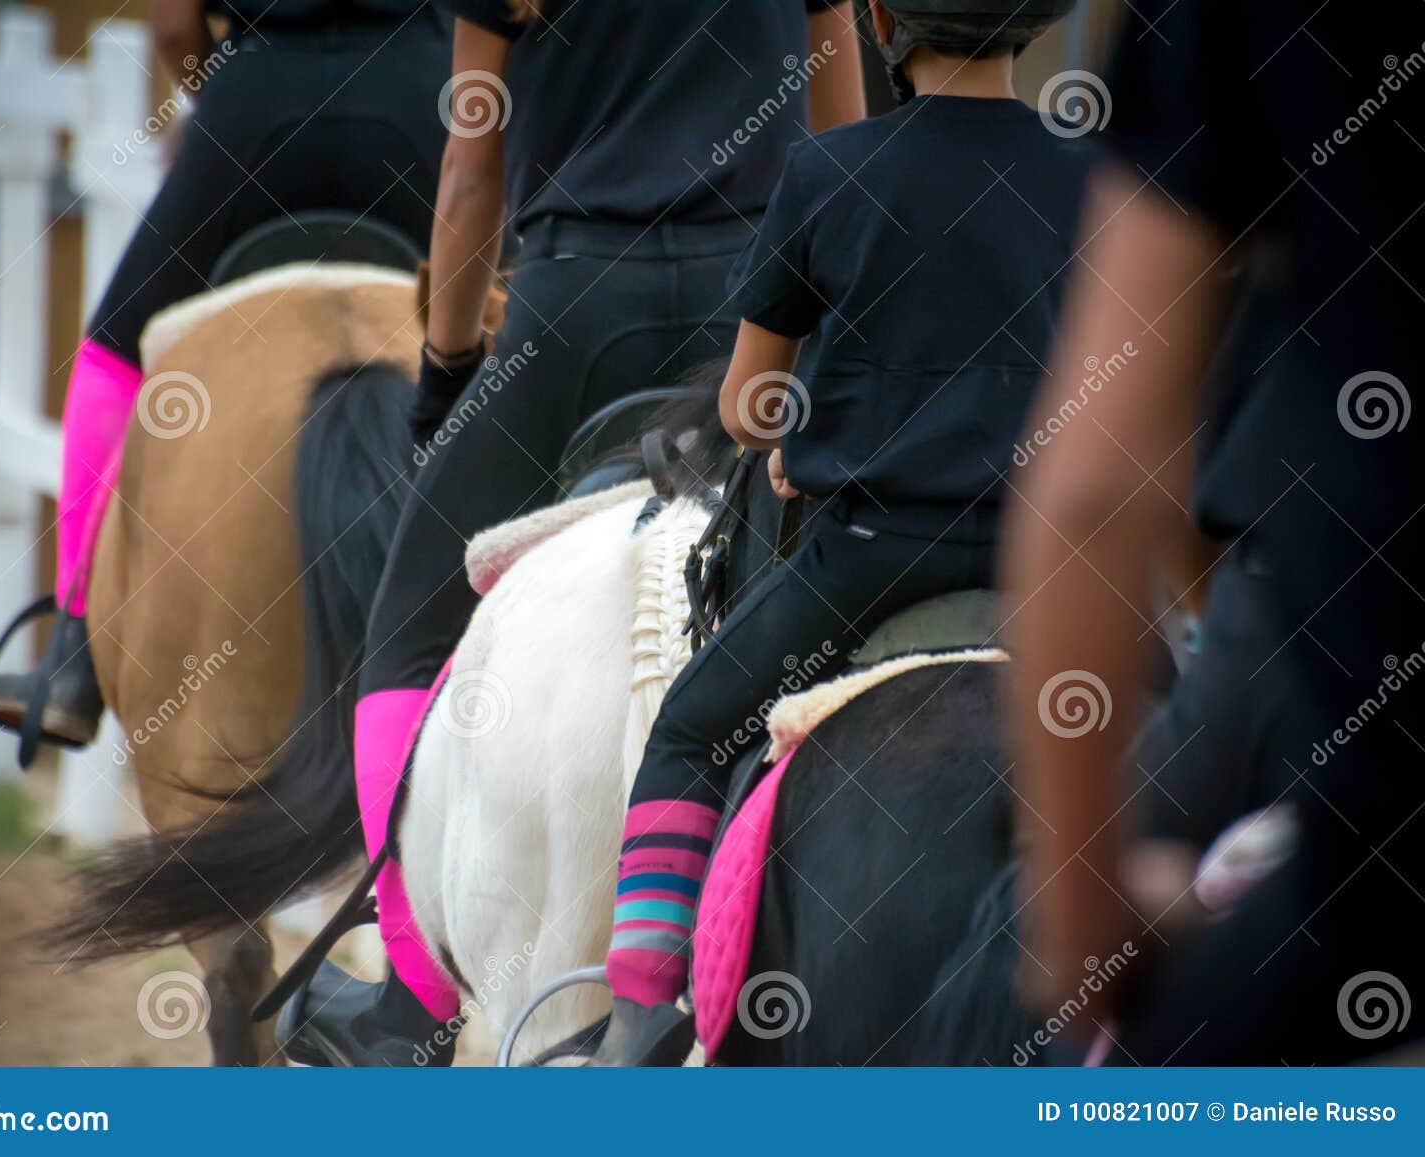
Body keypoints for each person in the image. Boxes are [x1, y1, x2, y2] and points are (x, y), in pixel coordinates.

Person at [342, 0, 866, 1064]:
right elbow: (843, 143)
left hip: (572, 307)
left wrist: (446, 373)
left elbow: (468, 174)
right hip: (754, 306)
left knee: (399, 637)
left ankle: (409, 998)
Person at [588, 0, 1088, 1063]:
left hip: (871, 561)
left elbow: (741, 405)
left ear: (878, 19)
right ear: (1037, 24)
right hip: (1059, 567)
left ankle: (635, 1025)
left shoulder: (831, 170)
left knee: (689, 727)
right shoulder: (1098, 173)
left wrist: (794, 436)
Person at [1003, 0, 1425, 1063]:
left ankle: (637, 1010)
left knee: (702, 715)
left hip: (1374, 867)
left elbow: (1092, 492)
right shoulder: (1041, 161)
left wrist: (1081, 930)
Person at [0, 0, 451, 753]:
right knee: (513, 329)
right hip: (419, 102)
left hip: (256, 108)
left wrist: (218, 99)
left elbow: (170, 26)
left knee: (110, 355)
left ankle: (73, 652)